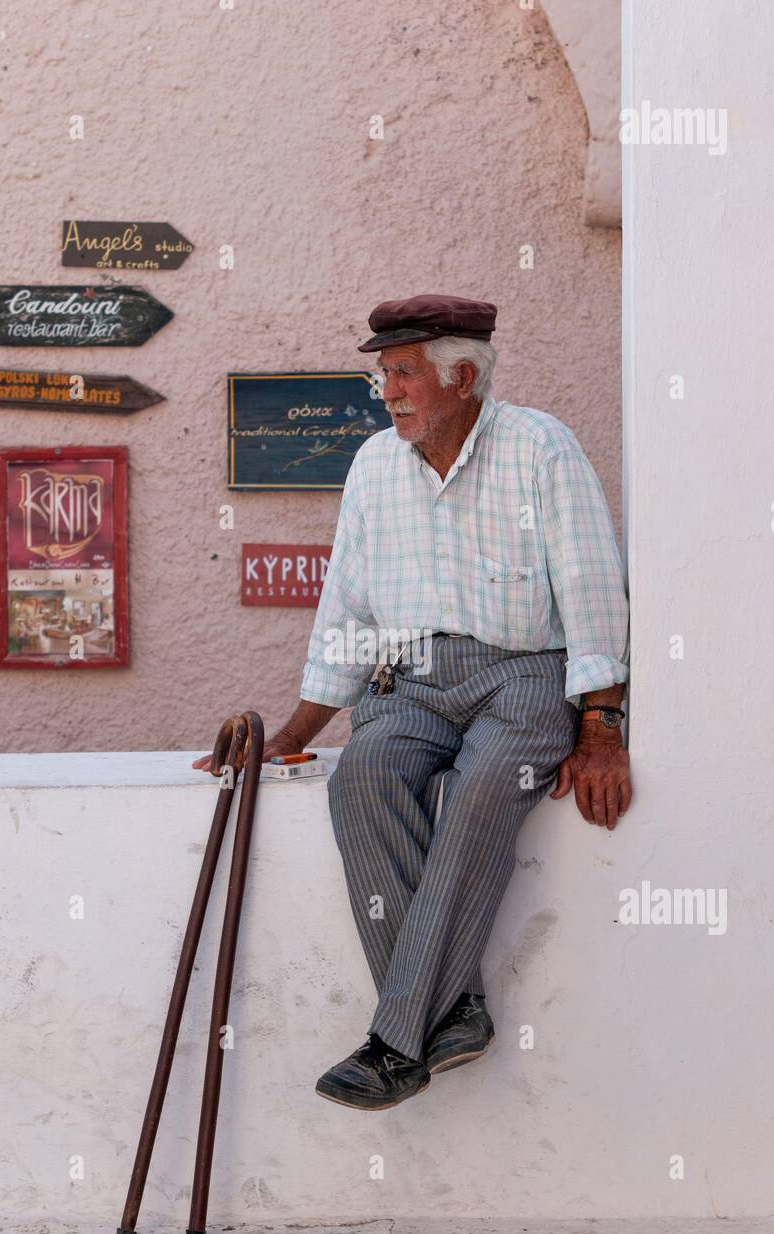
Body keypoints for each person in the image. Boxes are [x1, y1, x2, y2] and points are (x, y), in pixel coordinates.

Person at [194, 293, 631, 1112]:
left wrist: (601, 724)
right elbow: (348, 615)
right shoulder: (372, 466)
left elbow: (592, 586)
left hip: (525, 675)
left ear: (462, 376)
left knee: (481, 794)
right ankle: (455, 1012)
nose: (386, 392)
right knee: (359, 779)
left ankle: (396, 1042)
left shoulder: (541, 449)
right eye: (383, 376)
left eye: (402, 373)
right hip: (409, 682)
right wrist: (292, 731)